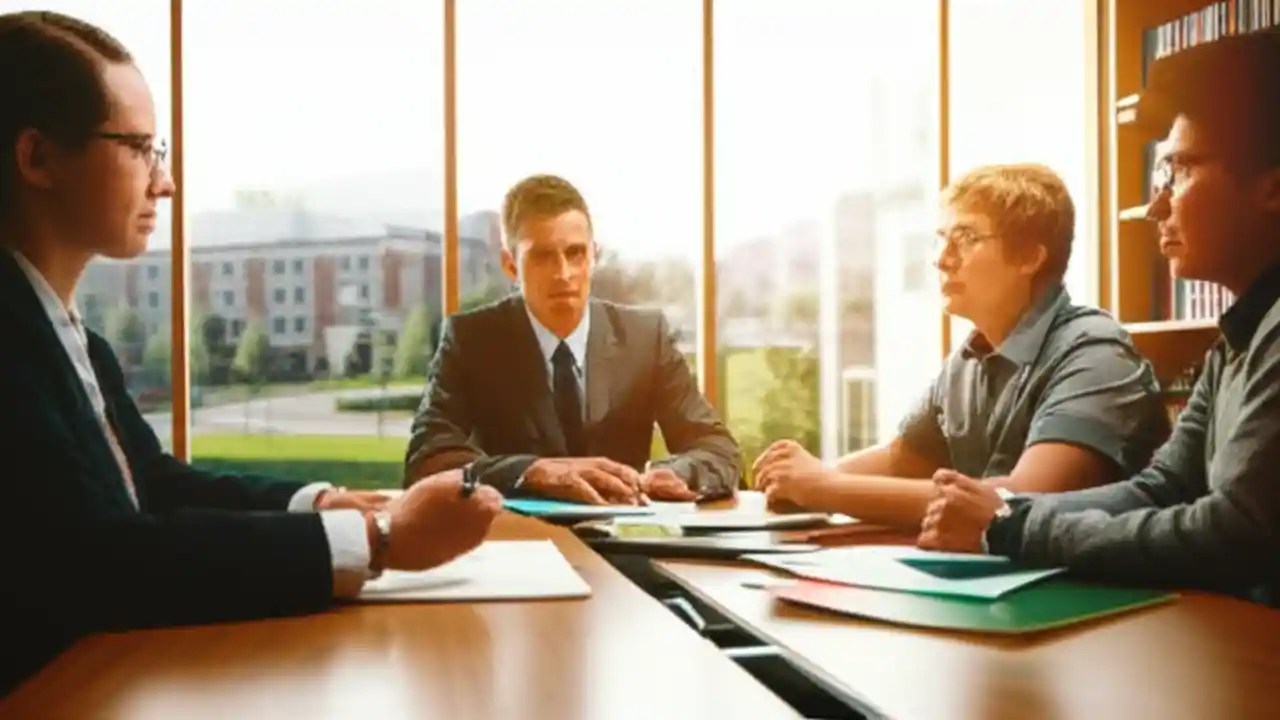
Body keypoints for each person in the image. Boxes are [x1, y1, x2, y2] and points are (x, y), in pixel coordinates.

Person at [0, 11, 502, 693]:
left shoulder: (68, 334)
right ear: (38, 158)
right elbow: (102, 562)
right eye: (140, 148)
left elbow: (153, 486)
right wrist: (379, 541)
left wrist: (322, 502)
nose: (165, 182)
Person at [918, 30, 1280, 601]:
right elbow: (1163, 489)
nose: (1156, 205)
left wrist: (1011, 524)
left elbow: (1232, 531)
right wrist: (1006, 512)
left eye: (1180, 171)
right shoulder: (1236, 339)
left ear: (1272, 187)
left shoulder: (1098, 348)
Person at [754, 164, 1168, 531]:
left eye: (966, 238)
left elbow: (1019, 502)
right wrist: (802, 480)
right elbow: (903, 460)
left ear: (1030, 257)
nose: (942, 259)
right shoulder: (969, 359)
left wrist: (826, 487)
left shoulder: (1096, 354)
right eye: (941, 239)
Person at [405, 174, 740, 503]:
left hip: (626, 543)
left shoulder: (645, 337)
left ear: (594, 255)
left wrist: (677, 473)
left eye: (575, 253)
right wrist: (532, 472)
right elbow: (428, 460)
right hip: (518, 544)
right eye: (542, 256)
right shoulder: (472, 341)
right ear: (510, 265)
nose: (563, 273)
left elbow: (717, 448)